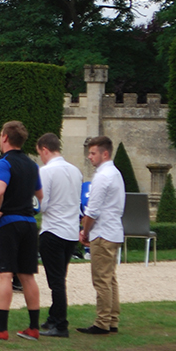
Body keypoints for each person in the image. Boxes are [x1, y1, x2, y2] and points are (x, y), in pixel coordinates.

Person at [0, 121, 43, 341]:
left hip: (8, 224)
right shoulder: (32, 165)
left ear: (4, 137)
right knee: (27, 276)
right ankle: (33, 327)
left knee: (4, 274)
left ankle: (1, 328)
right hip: (29, 223)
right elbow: (41, 197)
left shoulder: (4, 163)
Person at [36, 133, 83, 337]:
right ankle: (54, 317)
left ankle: (61, 324)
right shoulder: (76, 171)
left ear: (44, 149)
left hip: (53, 229)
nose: (41, 157)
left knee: (55, 281)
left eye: (40, 154)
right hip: (71, 231)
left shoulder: (46, 171)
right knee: (59, 277)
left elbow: (42, 204)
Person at [77, 136, 125, 335]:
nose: (89, 157)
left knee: (101, 279)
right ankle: (112, 319)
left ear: (104, 153)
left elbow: (92, 211)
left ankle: (102, 322)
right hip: (114, 231)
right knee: (110, 278)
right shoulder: (115, 173)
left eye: (93, 153)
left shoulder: (102, 176)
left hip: (102, 233)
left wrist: (85, 232)